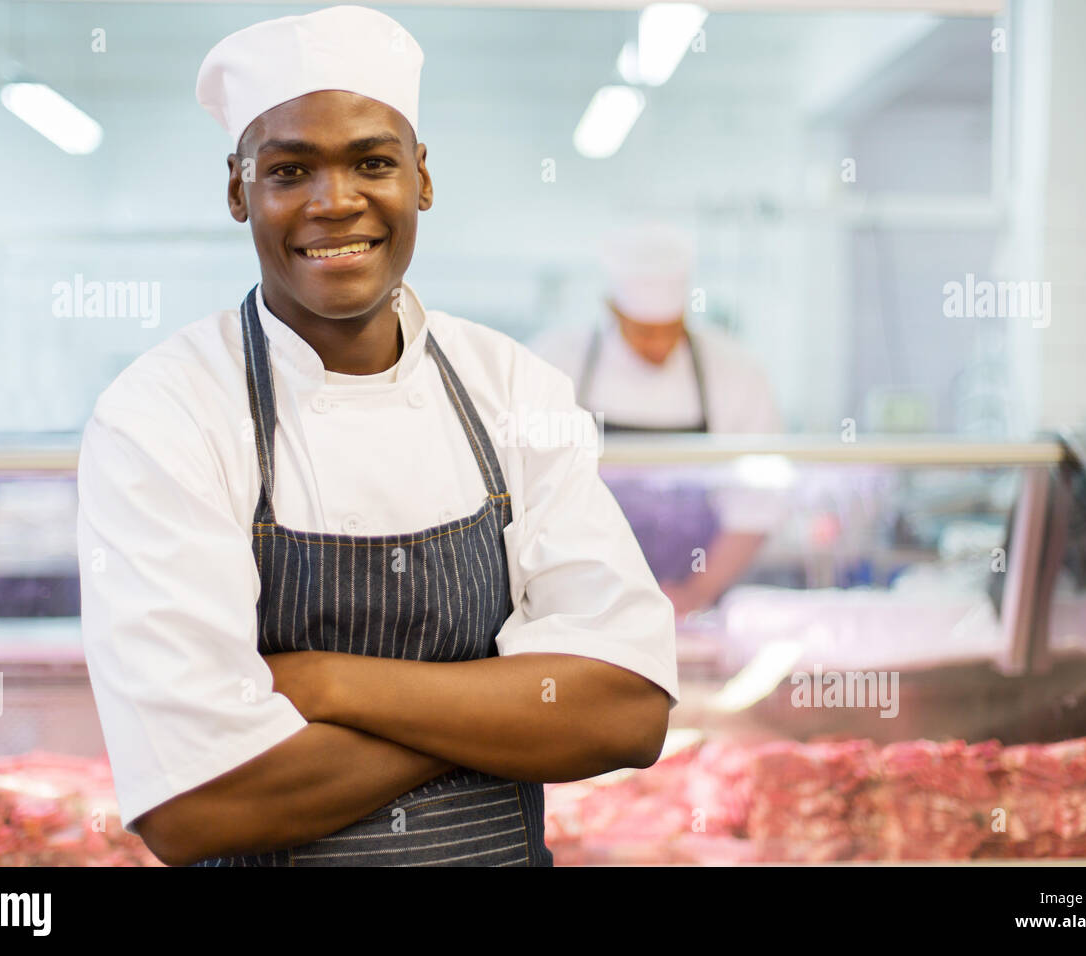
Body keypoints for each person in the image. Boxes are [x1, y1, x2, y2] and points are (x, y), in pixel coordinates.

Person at [75, 5, 676, 868]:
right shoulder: (163, 416)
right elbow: (195, 804)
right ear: (239, 189)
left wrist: (325, 684)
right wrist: (510, 712)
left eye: (372, 161)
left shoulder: (513, 388)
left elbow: (628, 714)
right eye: (289, 170)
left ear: (421, 177)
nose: (336, 202)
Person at [531, 224, 783, 619]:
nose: (660, 345)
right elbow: (526, 493)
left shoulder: (735, 372)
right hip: (578, 604)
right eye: (644, 331)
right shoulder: (557, 361)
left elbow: (757, 504)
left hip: (693, 607)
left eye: (671, 329)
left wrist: (696, 593)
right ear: (613, 310)